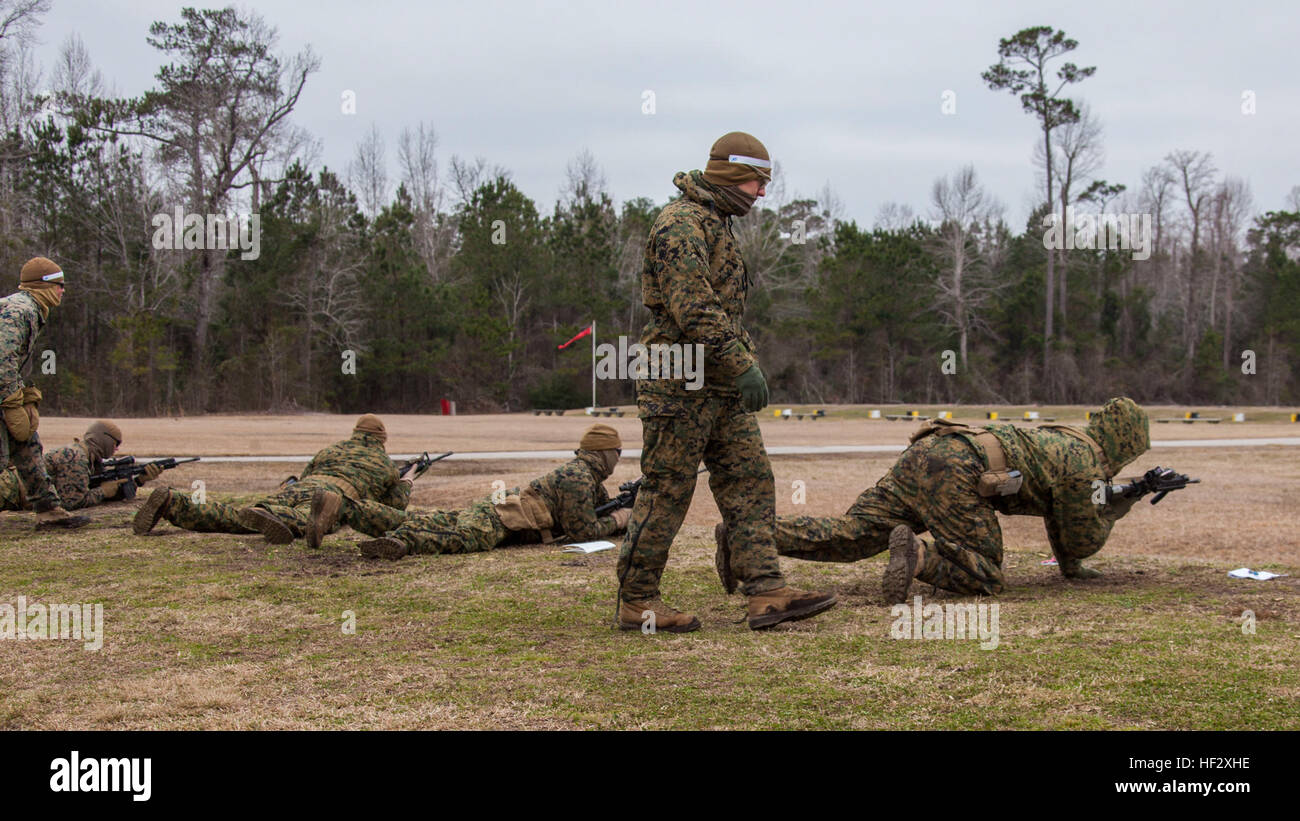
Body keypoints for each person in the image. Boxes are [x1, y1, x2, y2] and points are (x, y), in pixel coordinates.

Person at [614, 132, 836, 633]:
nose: (762, 193)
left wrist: (735, 365)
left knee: (749, 481)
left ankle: (766, 592)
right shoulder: (681, 223)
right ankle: (637, 600)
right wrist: (741, 362)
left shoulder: (718, 223)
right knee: (666, 491)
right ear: (734, 176)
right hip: (678, 378)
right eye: (758, 181)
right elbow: (691, 304)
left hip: (717, 380)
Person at [721, 397, 1150, 602]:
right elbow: (1079, 535)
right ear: (1126, 446)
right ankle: (919, 556)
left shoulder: (1067, 440)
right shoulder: (1086, 462)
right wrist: (1129, 497)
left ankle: (748, 538)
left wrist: (1072, 569)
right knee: (987, 575)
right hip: (959, 469)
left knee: (856, 535)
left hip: (928, 451)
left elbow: (1061, 522)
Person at [312, 423, 631, 559]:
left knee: (428, 520)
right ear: (604, 453)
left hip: (499, 510)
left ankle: (342, 508)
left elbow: (594, 510)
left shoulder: (583, 477)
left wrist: (621, 509)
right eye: (616, 452)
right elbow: (583, 531)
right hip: (502, 518)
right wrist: (620, 518)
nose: (618, 458)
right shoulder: (578, 477)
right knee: (465, 539)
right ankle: (401, 542)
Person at [133, 414, 410, 542]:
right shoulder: (384, 463)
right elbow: (391, 507)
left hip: (302, 485)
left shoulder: (330, 450)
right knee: (312, 520)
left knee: (236, 516)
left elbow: (305, 476)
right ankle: (271, 515)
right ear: (381, 440)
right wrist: (407, 484)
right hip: (332, 495)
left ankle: (175, 503)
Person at [0, 257, 89, 530]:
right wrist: (12, 401)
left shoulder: (29, 308)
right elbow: (2, 357)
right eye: (60, 285)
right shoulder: (19, 310)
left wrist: (21, 394)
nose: (63, 291)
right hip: (3, 390)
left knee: (27, 445)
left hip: (5, 389)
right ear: (44, 285)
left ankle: (49, 509)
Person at [0, 420, 163, 511]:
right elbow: (70, 502)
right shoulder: (75, 457)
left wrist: (139, 480)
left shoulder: (88, 460)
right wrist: (103, 492)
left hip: (15, 493)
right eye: (116, 444)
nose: (116, 449)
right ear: (104, 439)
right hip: (9, 488)